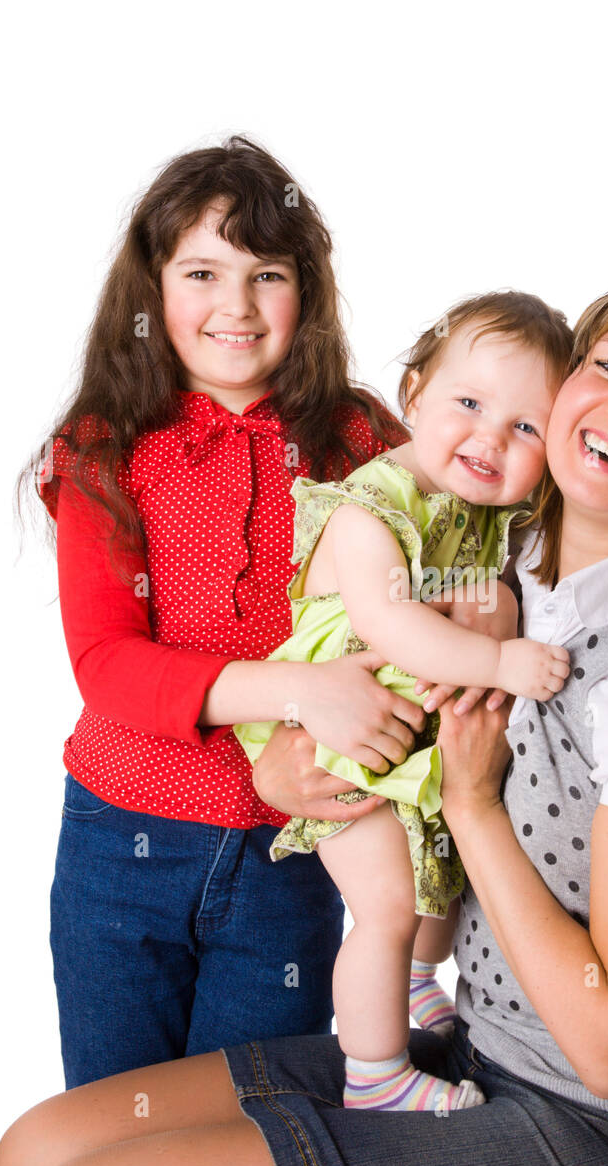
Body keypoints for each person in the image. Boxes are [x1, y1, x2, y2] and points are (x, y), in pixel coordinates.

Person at [0, 267, 608, 1166]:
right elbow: (355, 668)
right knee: (35, 1153)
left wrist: (471, 805)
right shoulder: (490, 554)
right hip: (490, 1053)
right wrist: (287, 762)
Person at [22, 135, 428, 1088]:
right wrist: (299, 692)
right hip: (120, 851)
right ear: (152, 290)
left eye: (268, 274)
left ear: (308, 295)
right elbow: (110, 667)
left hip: (293, 853)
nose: (236, 307)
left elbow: (444, 585)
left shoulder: (357, 437)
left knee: (252, 1134)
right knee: (112, 1128)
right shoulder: (105, 445)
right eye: (202, 272)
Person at [233, 292, 573, 1112]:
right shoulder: (369, 506)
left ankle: (419, 981)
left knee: (438, 880)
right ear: (413, 392)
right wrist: (500, 655)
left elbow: (472, 587)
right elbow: (394, 621)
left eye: (527, 427)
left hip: (405, 738)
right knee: (384, 905)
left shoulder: (486, 515)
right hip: (337, 741)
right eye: (469, 403)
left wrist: (491, 592)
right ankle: (375, 1075)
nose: (491, 438)